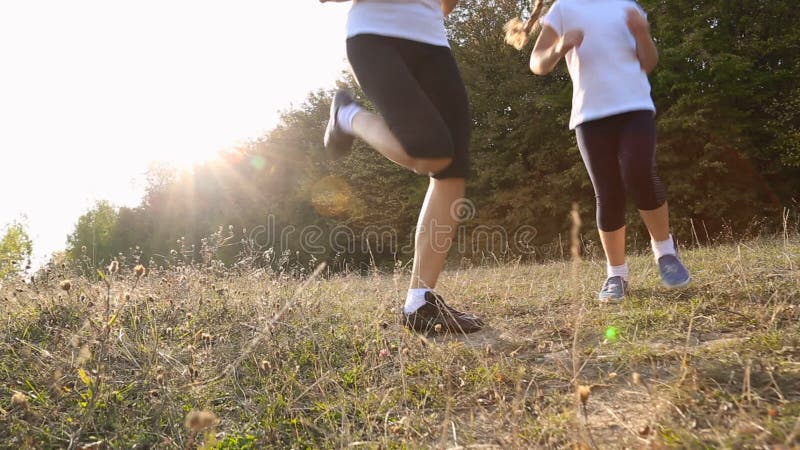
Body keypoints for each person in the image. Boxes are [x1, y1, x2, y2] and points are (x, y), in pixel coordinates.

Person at [319, 0, 483, 333]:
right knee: (431, 152)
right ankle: (347, 116)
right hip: (375, 37)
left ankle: (420, 302)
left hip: (433, 44)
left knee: (453, 170)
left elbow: (446, 5)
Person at [512, 0, 691, 302]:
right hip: (590, 116)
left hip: (635, 107)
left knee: (639, 174)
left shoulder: (626, 5)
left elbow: (648, 62)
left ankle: (665, 253)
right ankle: (616, 275)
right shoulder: (563, 9)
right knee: (608, 193)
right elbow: (537, 62)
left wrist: (642, 33)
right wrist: (559, 48)